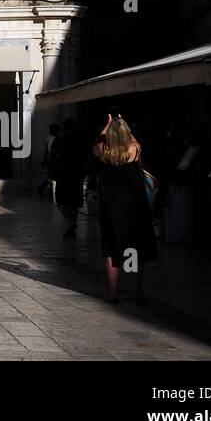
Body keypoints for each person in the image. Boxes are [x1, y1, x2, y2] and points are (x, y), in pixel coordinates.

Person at [93, 113, 157, 303]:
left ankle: (113, 294)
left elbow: (96, 142)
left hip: (111, 210)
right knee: (133, 251)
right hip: (134, 208)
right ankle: (135, 293)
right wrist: (123, 125)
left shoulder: (103, 152)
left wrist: (107, 125)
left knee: (113, 252)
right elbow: (135, 141)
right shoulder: (134, 149)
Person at [52, 119, 85, 239]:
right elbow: (85, 157)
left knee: (61, 201)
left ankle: (71, 223)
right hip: (76, 174)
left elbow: (55, 158)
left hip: (63, 175)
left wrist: (54, 174)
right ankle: (73, 224)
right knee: (74, 202)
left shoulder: (60, 140)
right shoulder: (81, 140)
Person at [39, 122, 61, 197]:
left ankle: (44, 187)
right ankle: (45, 187)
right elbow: (49, 150)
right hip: (52, 160)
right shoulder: (52, 139)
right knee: (52, 175)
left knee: (51, 175)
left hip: (52, 160)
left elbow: (49, 150)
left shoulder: (53, 139)